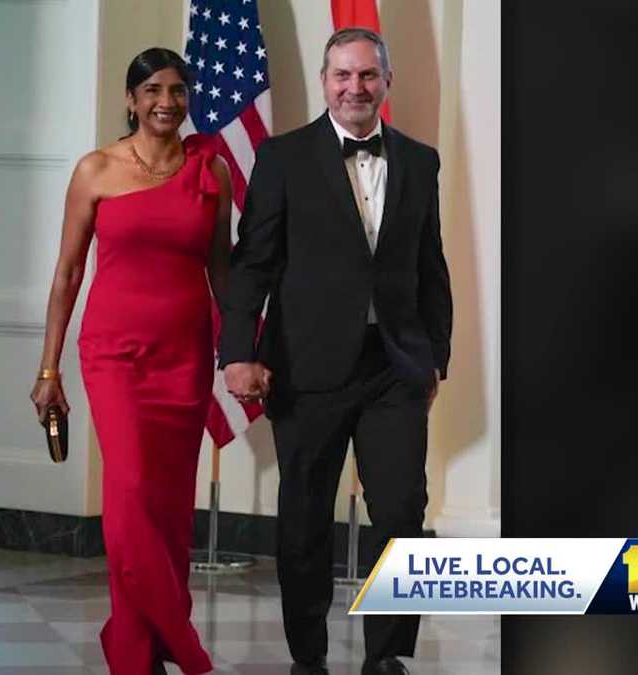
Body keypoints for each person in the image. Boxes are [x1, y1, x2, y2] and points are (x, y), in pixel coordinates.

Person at [219, 28, 453, 675]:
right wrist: (238, 350)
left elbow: (429, 265)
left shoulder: (420, 160)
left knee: (403, 511)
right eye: (342, 76)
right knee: (304, 519)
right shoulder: (284, 158)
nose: (355, 87)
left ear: (386, 82)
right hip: (306, 364)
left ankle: (385, 656)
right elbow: (253, 262)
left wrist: (437, 352)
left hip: (395, 367)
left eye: (367, 76)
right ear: (326, 82)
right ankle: (309, 657)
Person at [30, 48, 231, 675]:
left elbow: (222, 267)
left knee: (168, 506)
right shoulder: (96, 170)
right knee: (130, 494)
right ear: (130, 99)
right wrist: (48, 369)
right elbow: (66, 273)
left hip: (187, 354)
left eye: (177, 89)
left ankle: (137, 647)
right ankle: (184, 646)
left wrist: (246, 353)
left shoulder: (213, 170)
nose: (166, 102)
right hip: (114, 354)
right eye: (152, 90)